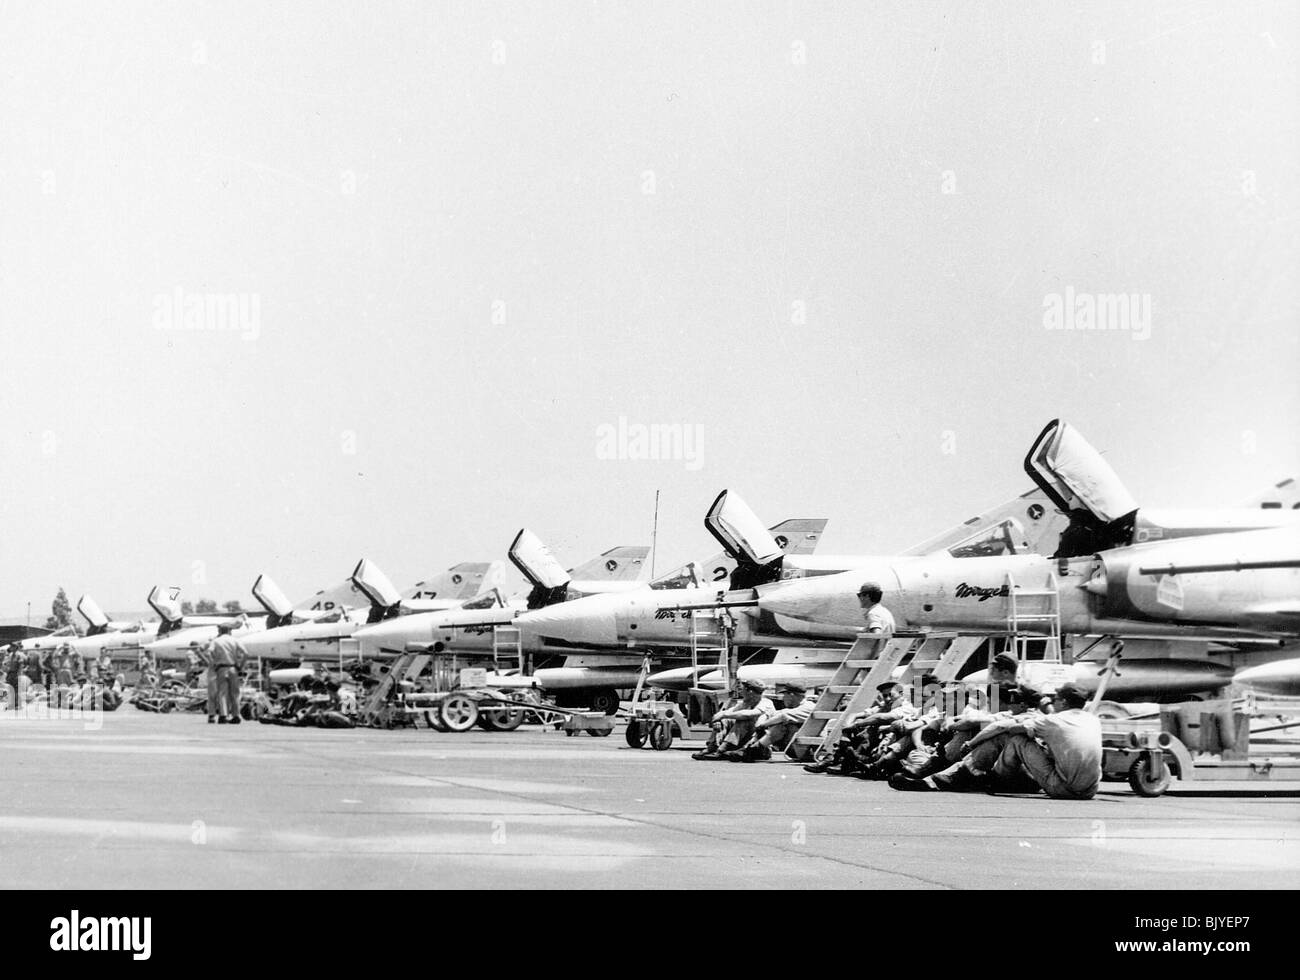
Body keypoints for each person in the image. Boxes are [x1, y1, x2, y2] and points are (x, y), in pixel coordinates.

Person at [891, 682, 1102, 799]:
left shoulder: (1052, 720)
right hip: (1089, 789)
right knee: (1009, 735)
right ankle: (940, 776)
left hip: (1063, 787)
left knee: (1014, 737)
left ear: (1064, 702)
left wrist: (973, 744)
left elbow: (1004, 727)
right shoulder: (1092, 719)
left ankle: (945, 779)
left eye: (1056, 699)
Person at [692, 680, 775, 760]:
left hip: (758, 746)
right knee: (725, 720)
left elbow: (749, 714)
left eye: (743, 689)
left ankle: (722, 749)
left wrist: (724, 715)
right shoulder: (745, 703)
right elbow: (722, 714)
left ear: (750, 692)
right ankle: (712, 747)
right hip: (743, 743)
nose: (741, 692)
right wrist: (718, 720)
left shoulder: (766, 703)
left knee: (743, 720)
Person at [734, 683, 819, 761]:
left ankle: (752, 750)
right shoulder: (797, 708)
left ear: (791, 695)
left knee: (781, 725)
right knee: (776, 721)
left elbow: (783, 715)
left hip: (809, 749)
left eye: (784, 695)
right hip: (801, 745)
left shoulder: (808, 707)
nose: (783, 698)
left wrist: (762, 725)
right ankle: (751, 749)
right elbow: (777, 714)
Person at [209, 621, 249, 724]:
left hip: (221, 668)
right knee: (235, 693)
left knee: (222, 693)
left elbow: (209, 652)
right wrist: (240, 665)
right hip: (233, 668)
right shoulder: (235, 640)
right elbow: (245, 653)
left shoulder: (216, 641)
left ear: (220, 631)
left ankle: (223, 715)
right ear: (229, 631)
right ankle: (236, 715)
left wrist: (213, 663)